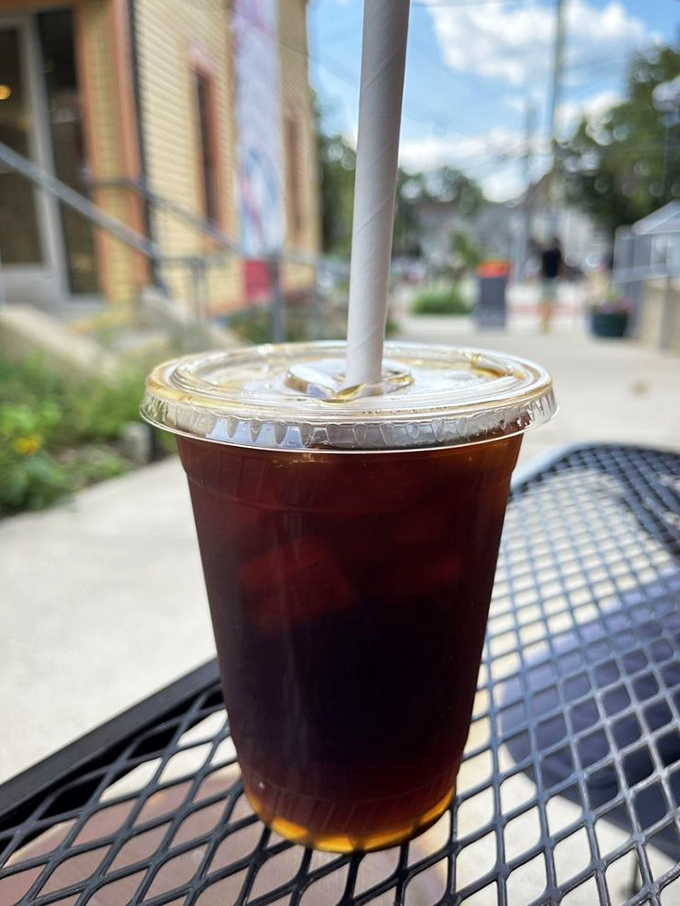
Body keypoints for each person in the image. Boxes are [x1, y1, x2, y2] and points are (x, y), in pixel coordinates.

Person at [539, 236, 563, 333]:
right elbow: (561, 266)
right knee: (550, 301)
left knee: (544, 300)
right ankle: (547, 322)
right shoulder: (557, 252)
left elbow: (542, 266)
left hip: (545, 277)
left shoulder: (544, 252)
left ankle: (544, 322)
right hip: (553, 278)